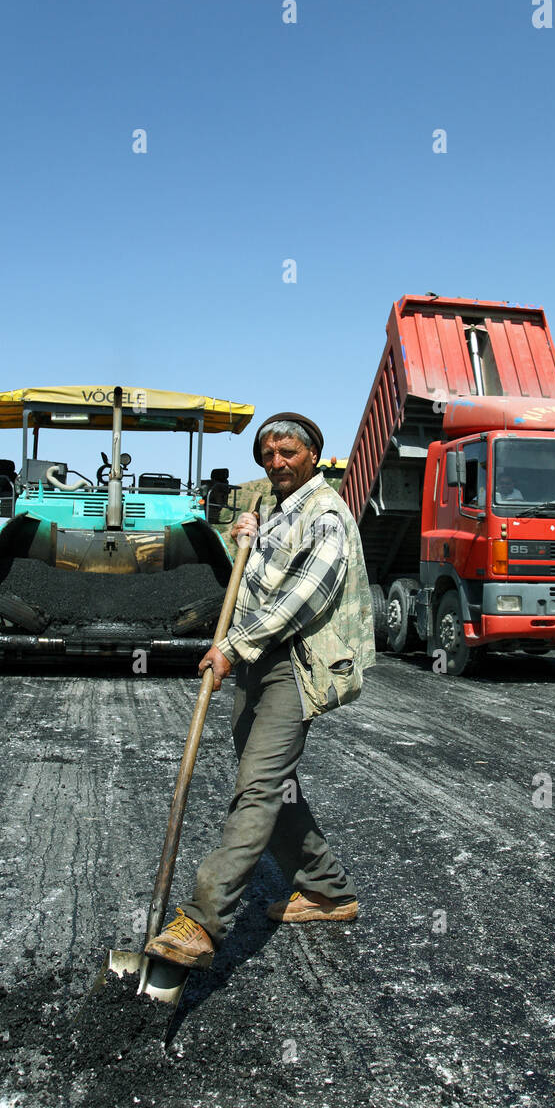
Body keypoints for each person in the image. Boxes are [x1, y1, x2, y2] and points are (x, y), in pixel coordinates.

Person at [145, 412, 377, 971]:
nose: (276, 462)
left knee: (257, 786)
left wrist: (231, 647)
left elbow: (305, 596)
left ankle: (201, 921)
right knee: (273, 782)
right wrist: (247, 540)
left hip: (293, 666)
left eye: (288, 452)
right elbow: (264, 581)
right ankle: (326, 888)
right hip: (258, 662)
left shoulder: (326, 513)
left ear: (314, 455)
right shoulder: (279, 512)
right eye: (268, 454)